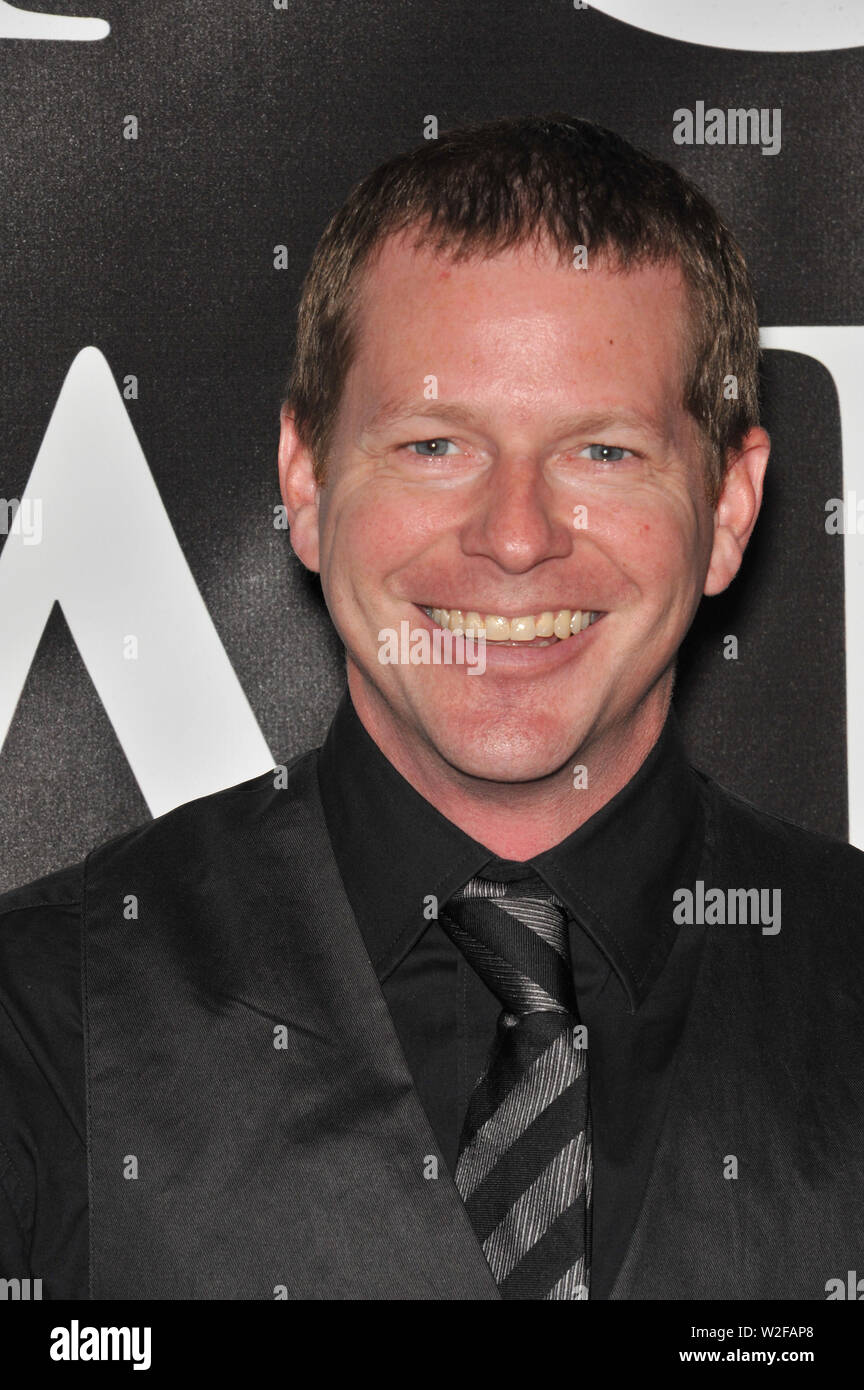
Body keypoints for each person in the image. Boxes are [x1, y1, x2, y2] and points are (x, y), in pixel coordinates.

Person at [1, 114, 862, 1302]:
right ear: (305, 483)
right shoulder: (40, 1019)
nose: (516, 536)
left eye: (603, 453)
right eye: (434, 444)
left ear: (728, 508)